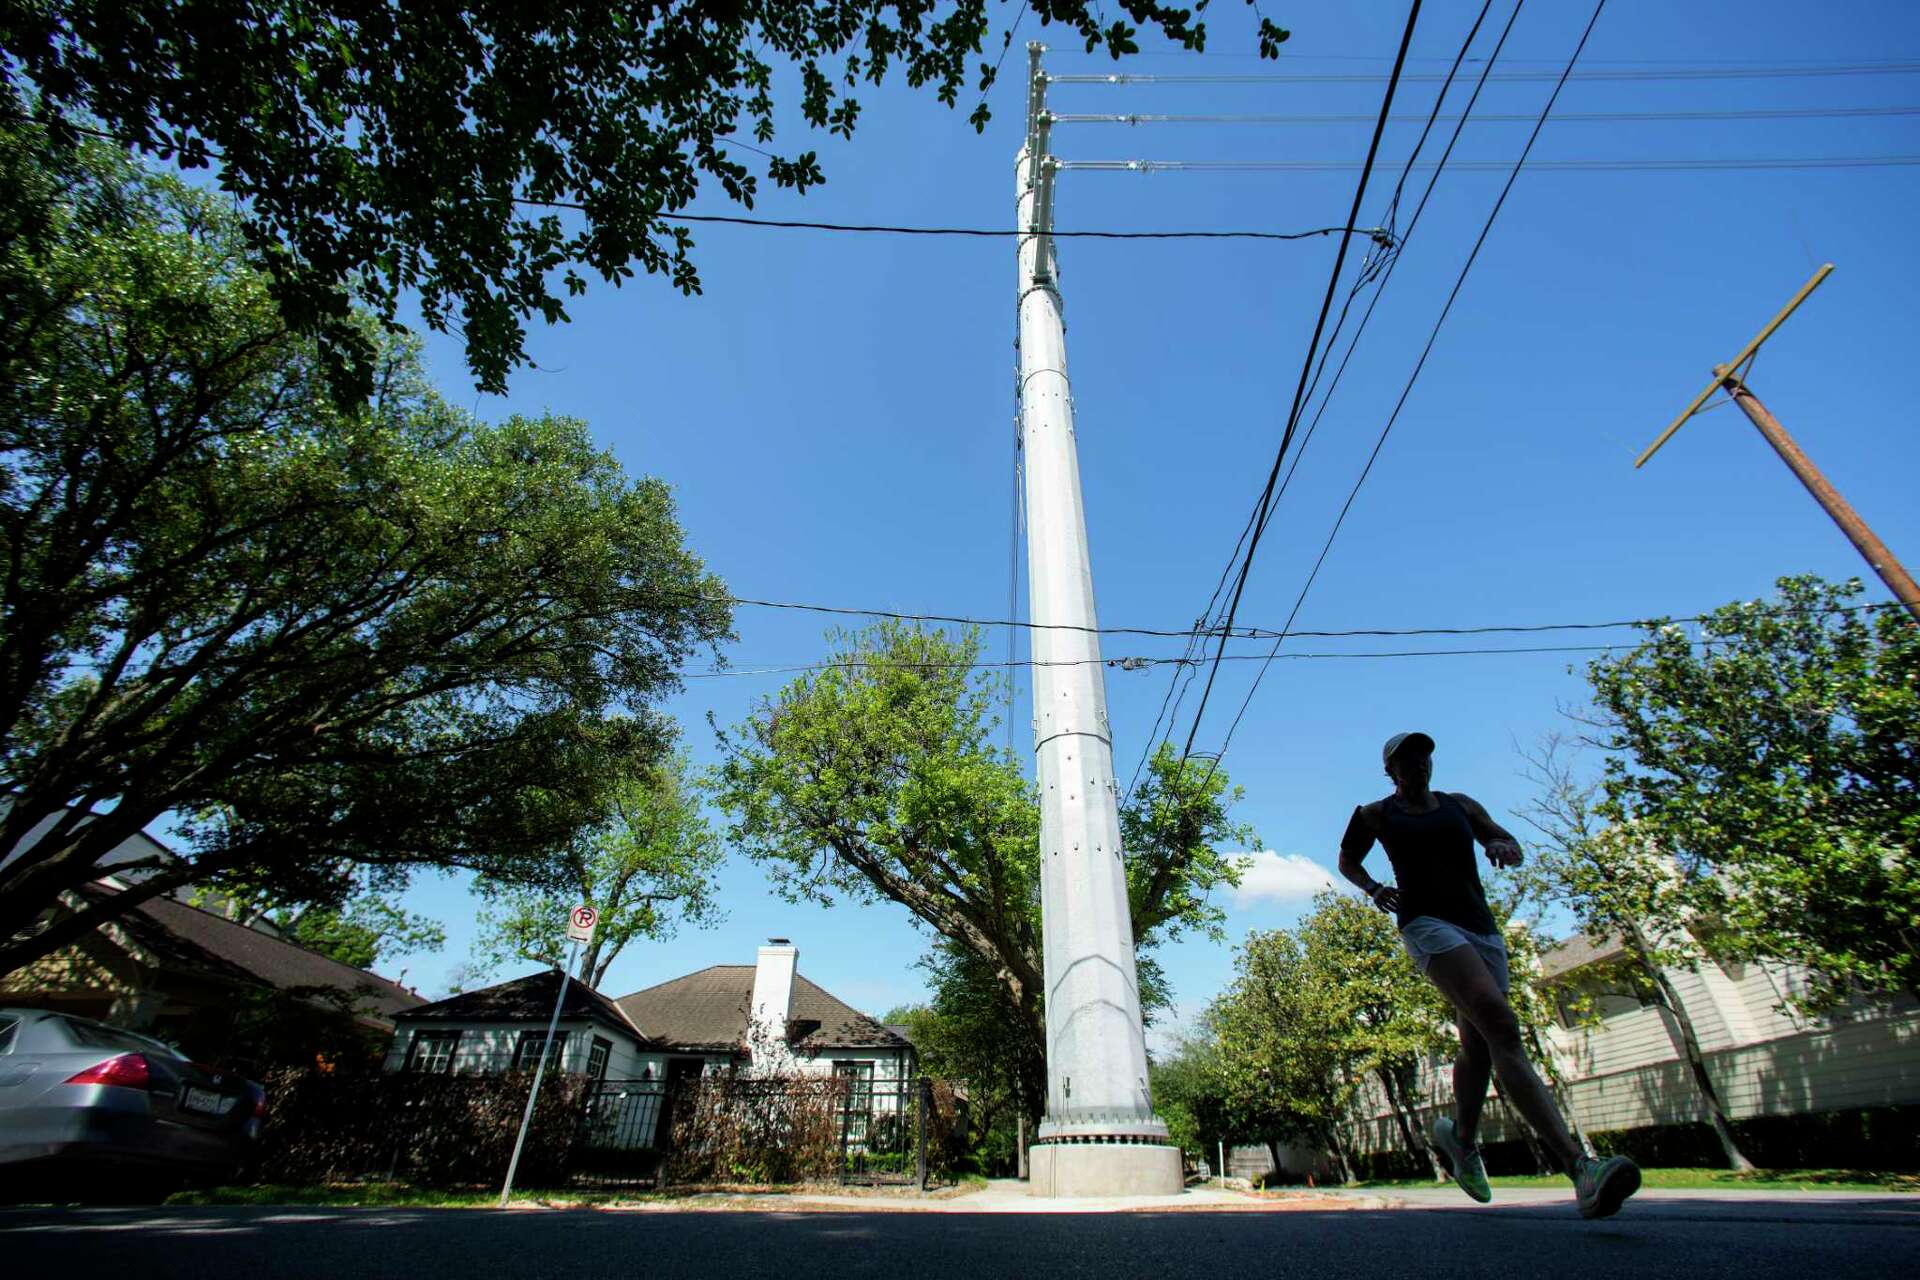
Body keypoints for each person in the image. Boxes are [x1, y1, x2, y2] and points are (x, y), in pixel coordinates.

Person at [1337, 730, 1641, 1219]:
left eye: (1424, 756)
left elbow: (1502, 836)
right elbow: (1348, 859)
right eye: (1407, 758)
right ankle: (1580, 1169)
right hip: (1426, 924)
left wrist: (1505, 847)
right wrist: (1374, 888)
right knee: (1501, 1025)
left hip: (1481, 929)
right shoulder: (1375, 814)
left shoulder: (1460, 805)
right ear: (1389, 770)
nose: (1419, 764)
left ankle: (1460, 1141)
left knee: (1479, 1045)